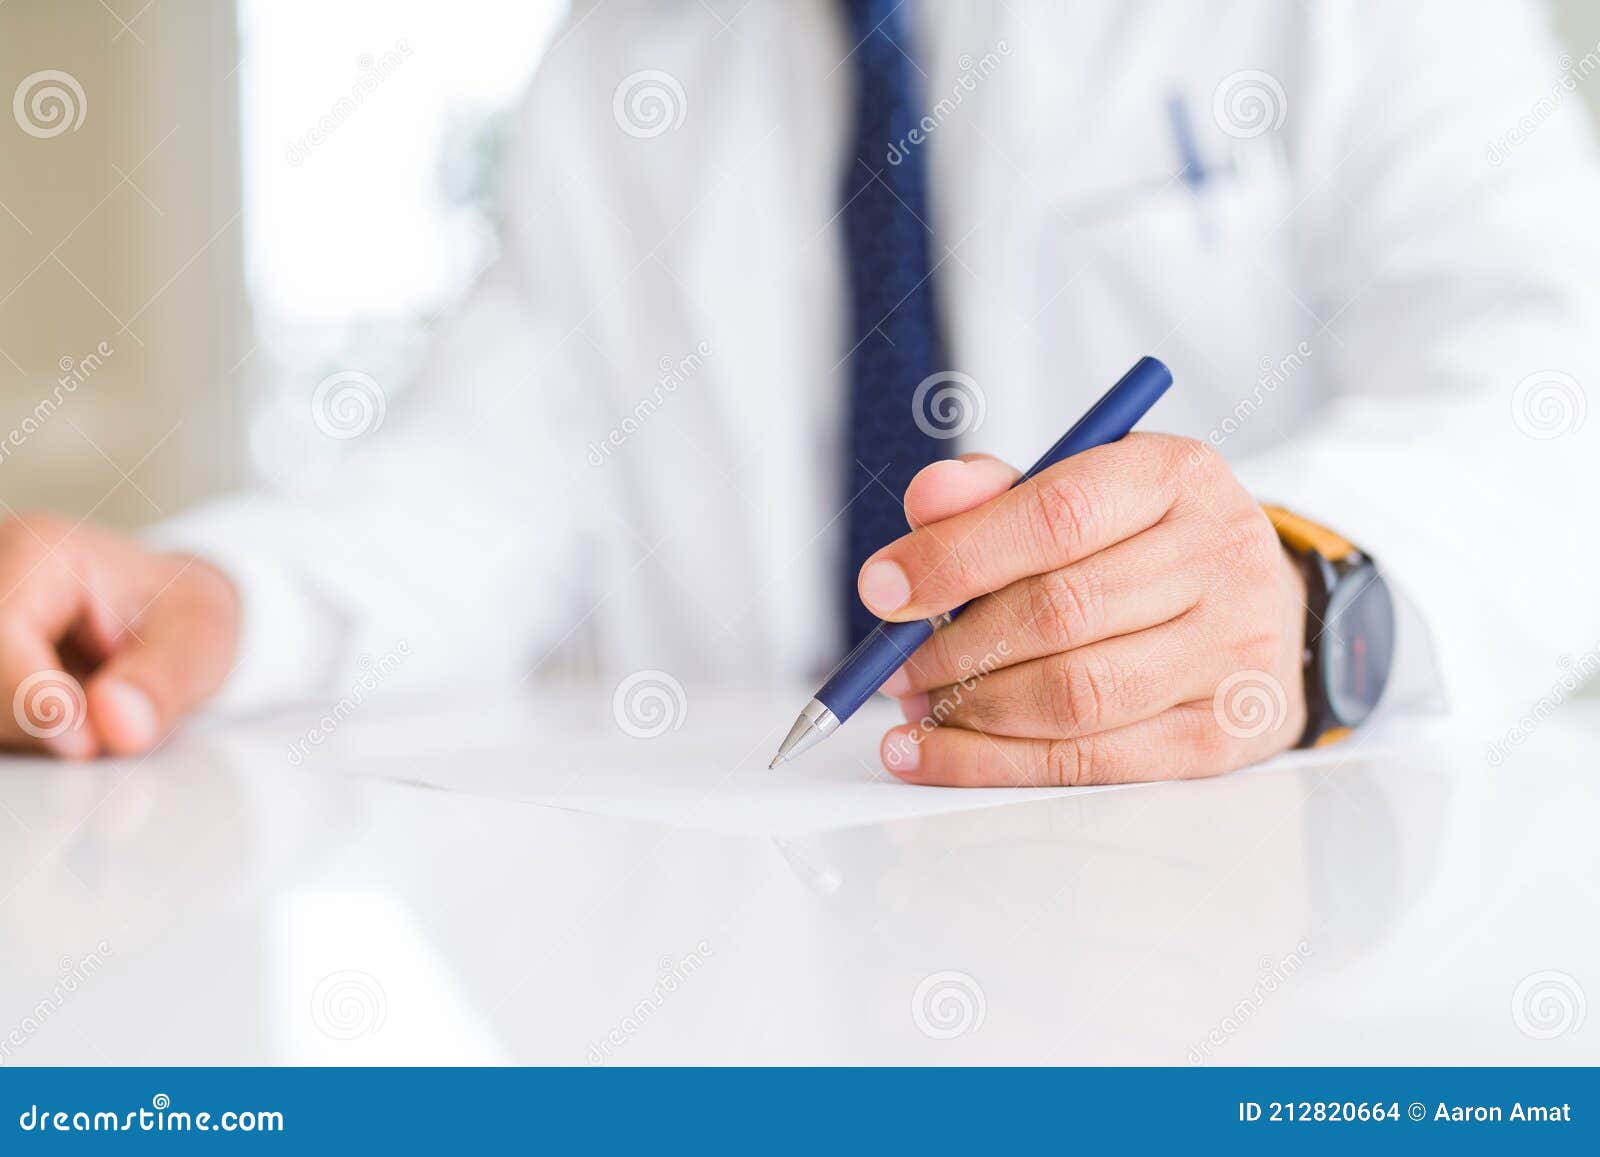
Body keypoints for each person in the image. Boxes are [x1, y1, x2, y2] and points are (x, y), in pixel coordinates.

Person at [3, 0, 1597, 783]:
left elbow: (1558, 381)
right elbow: (497, 466)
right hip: (776, 940)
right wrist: (220, 592)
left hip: (1273, 973)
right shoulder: (620, 57)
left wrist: (1311, 586)